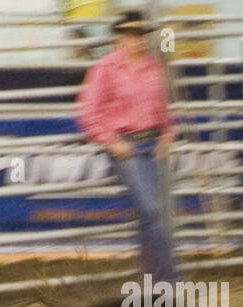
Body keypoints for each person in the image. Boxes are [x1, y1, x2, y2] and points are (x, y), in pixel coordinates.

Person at [75, 10, 179, 284]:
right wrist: (112, 142)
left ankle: (151, 280)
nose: (138, 41)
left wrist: (167, 133)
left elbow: (162, 106)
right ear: (118, 39)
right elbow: (88, 113)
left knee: (149, 214)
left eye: (140, 36)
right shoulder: (104, 69)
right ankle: (170, 281)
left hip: (151, 144)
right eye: (131, 36)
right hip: (127, 146)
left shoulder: (154, 67)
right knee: (153, 212)